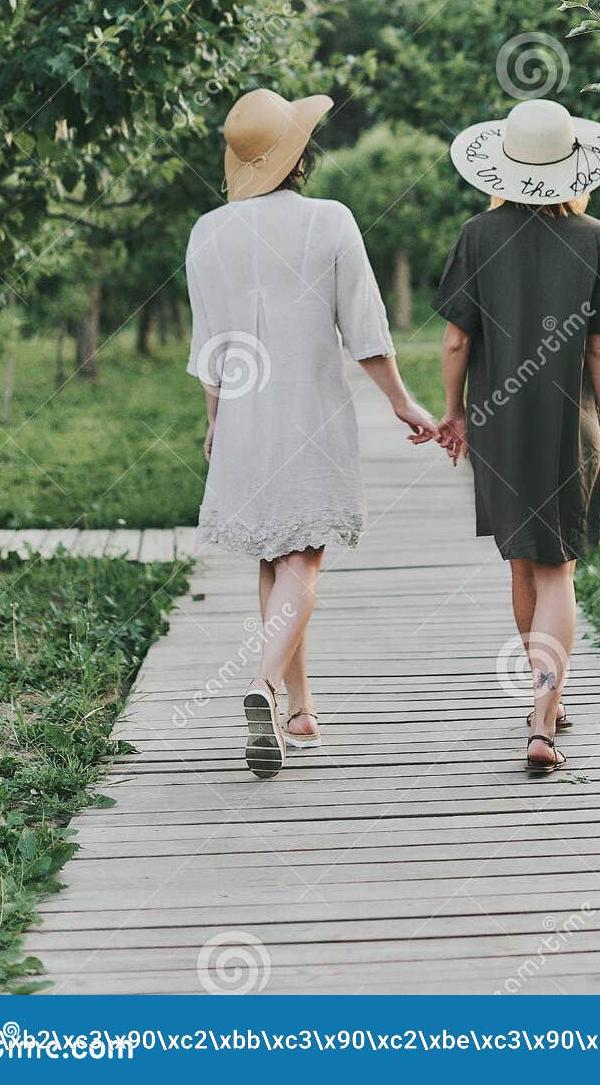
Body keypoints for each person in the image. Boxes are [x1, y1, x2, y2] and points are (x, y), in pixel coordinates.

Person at [185, 87, 439, 778]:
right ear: (301, 155)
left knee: (274, 559)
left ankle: (299, 709)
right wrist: (403, 403)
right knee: (303, 560)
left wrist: (213, 429)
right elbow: (365, 333)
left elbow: (208, 350)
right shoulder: (329, 220)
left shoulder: (207, 231)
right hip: (308, 413)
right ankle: (264, 684)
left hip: (241, 415)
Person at [433, 98, 600, 776]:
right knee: (559, 570)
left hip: (499, 424)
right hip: (566, 425)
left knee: (524, 562)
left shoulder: (477, 236)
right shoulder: (595, 238)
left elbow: (457, 337)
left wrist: (453, 411)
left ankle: (545, 701)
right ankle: (545, 714)